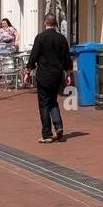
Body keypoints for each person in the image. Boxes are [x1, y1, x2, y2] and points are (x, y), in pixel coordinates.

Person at [25, 14, 72, 143]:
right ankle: (59, 126)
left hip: (44, 75)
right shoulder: (62, 39)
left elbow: (33, 56)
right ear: (56, 24)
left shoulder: (40, 37)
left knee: (44, 104)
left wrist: (28, 71)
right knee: (53, 101)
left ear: (45, 23)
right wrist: (68, 73)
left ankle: (47, 134)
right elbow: (67, 58)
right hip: (57, 75)